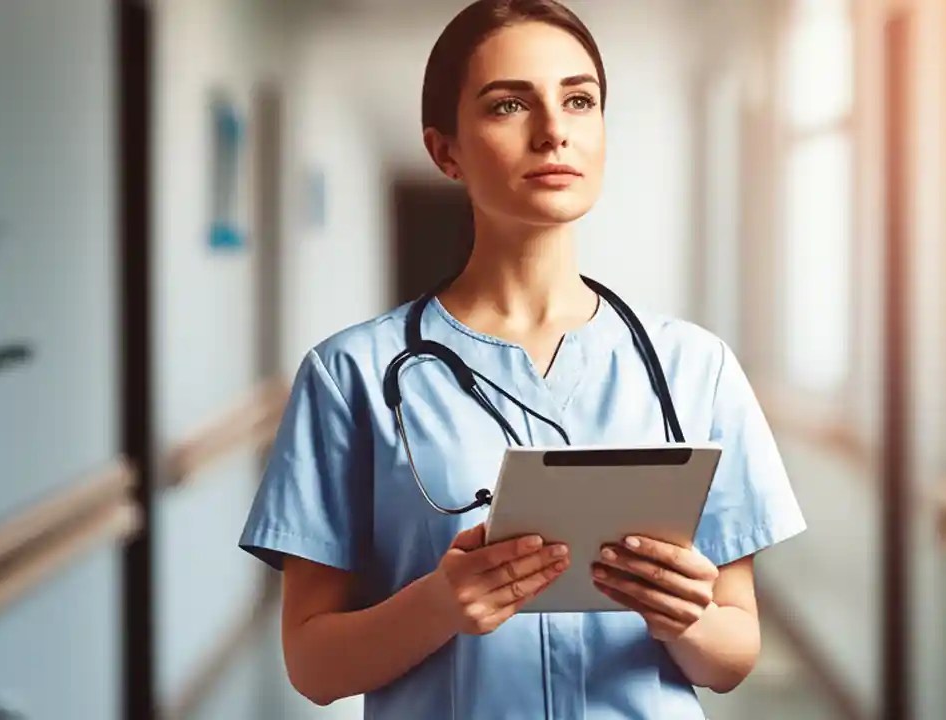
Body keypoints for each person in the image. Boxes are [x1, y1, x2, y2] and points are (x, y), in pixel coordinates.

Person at [237, 0, 806, 717]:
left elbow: (732, 655)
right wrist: (440, 605)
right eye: (509, 105)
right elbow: (314, 666)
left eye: (579, 100)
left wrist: (684, 615)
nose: (554, 132)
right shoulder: (349, 376)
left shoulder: (695, 368)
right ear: (446, 150)